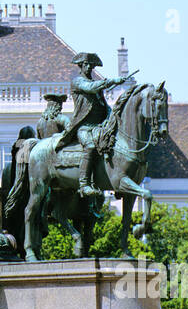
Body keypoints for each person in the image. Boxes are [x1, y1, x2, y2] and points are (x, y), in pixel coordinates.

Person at [54, 53, 133, 199]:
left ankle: (116, 180)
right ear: (81, 66)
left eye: (92, 65)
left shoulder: (95, 85)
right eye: (87, 64)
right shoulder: (78, 82)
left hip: (99, 126)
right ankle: (84, 184)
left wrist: (114, 117)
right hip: (84, 126)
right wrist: (113, 81)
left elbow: (103, 105)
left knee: (114, 145)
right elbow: (91, 88)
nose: (90, 67)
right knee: (90, 146)